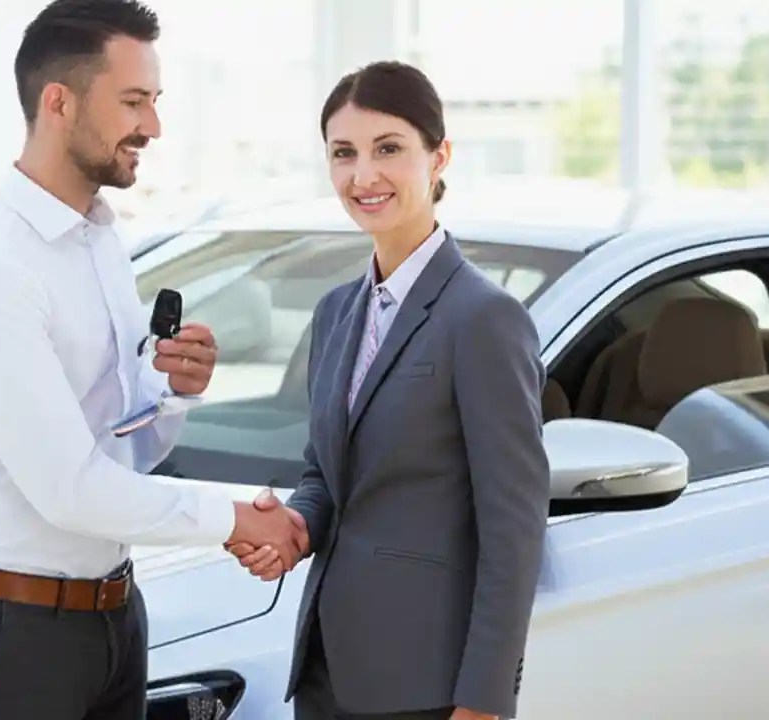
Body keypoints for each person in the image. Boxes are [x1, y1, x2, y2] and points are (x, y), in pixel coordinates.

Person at [0, 2, 306, 718]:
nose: (152, 127)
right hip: (11, 636)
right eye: (133, 102)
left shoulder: (99, 244)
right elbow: (70, 489)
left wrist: (171, 389)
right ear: (57, 103)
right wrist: (234, 518)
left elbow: (128, 454)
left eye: (154, 102)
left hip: (113, 618)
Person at [228, 61, 550, 720]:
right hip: (326, 673)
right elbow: (327, 473)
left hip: (427, 688)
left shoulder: (484, 319)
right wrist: (293, 528)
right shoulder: (336, 313)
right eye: (343, 154)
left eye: (388, 149)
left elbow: (514, 529)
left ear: (439, 157)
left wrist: (483, 703)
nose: (362, 175)